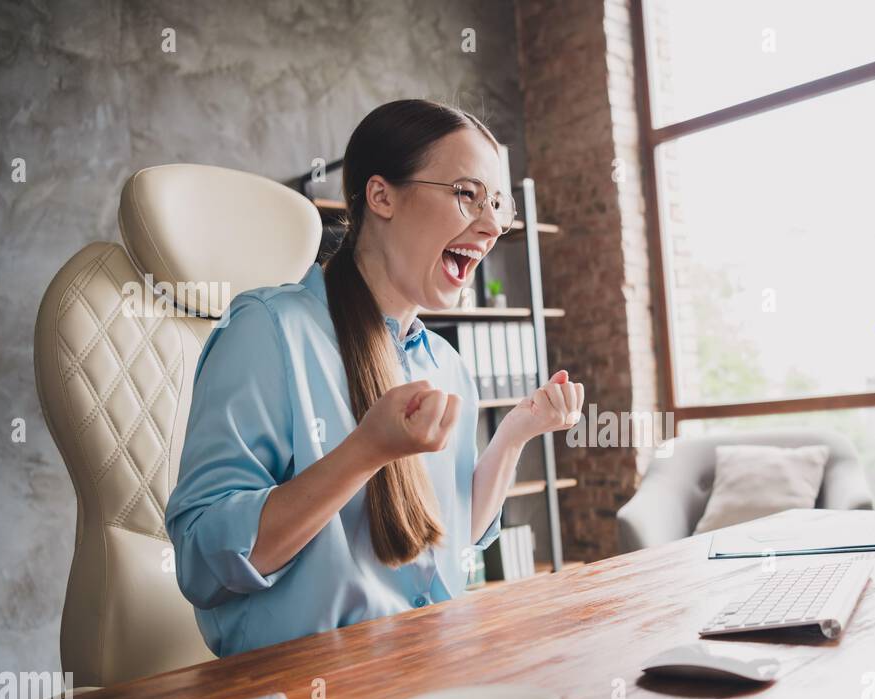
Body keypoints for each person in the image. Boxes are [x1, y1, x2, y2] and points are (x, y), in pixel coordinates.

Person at [165, 99, 584, 657]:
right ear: (381, 195)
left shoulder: (447, 364)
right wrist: (365, 451)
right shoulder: (268, 331)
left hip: (428, 664)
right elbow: (202, 562)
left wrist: (514, 434)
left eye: (498, 204)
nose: (490, 226)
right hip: (303, 689)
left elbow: (449, 538)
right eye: (467, 194)